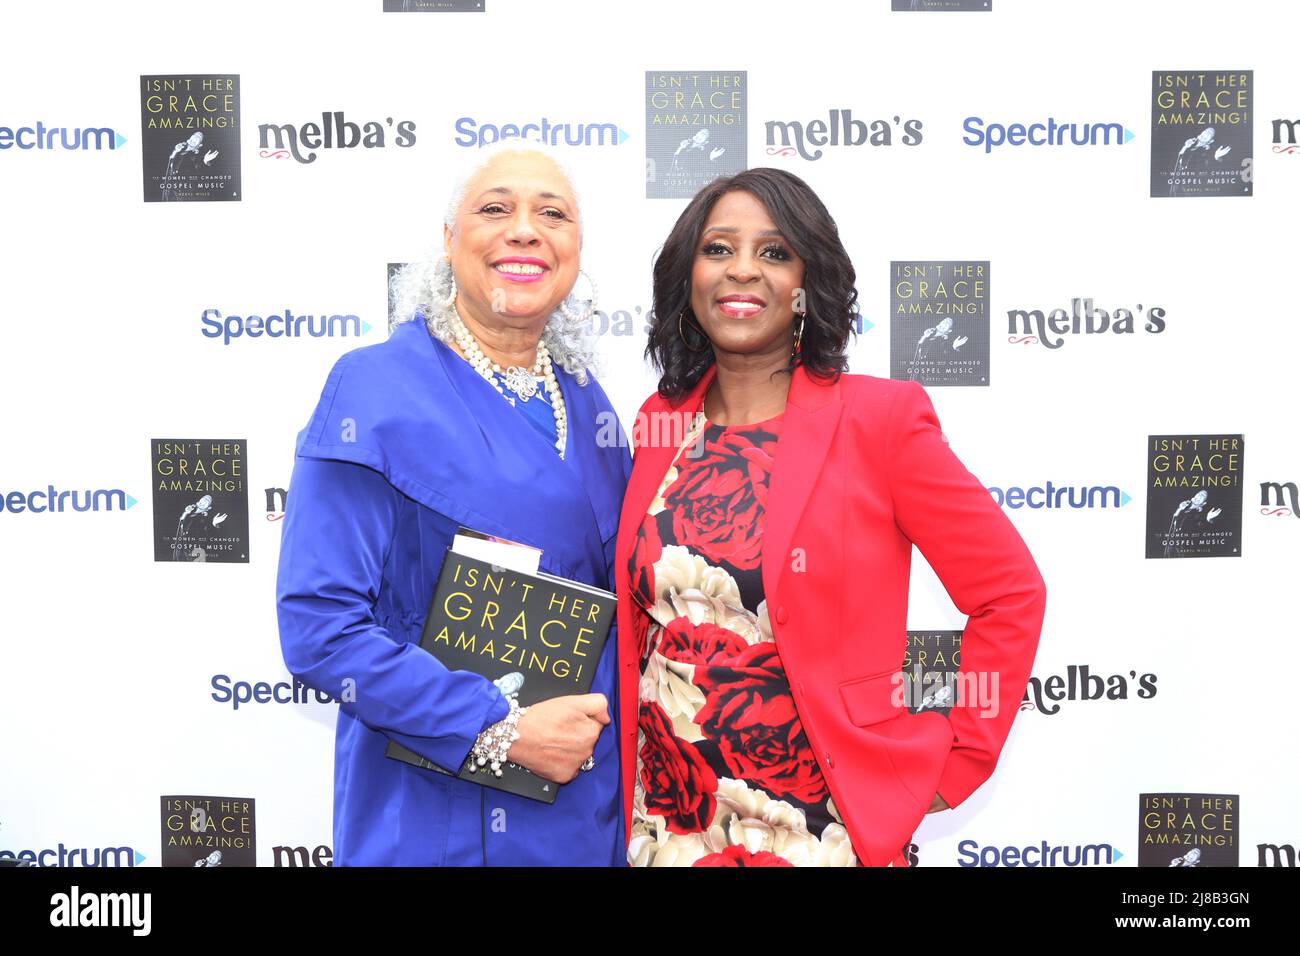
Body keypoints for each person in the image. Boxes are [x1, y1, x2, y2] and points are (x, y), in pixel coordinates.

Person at [615, 167, 1046, 867]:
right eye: (718, 249)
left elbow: (1010, 592)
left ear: (807, 287)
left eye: (775, 252)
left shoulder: (880, 421)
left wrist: (953, 763)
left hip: (821, 830)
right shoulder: (660, 425)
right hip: (669, 825)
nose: (744, 270)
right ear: (687, 279)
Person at [276, 143, 630, 865]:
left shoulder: (590, 402)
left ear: (576, 249)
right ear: (448, 240)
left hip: (583, 812)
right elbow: (320, 629)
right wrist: (494, 726)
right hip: (440, 818)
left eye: (552, 214)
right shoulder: (376, 389)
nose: (525, 230)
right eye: (494, 208)